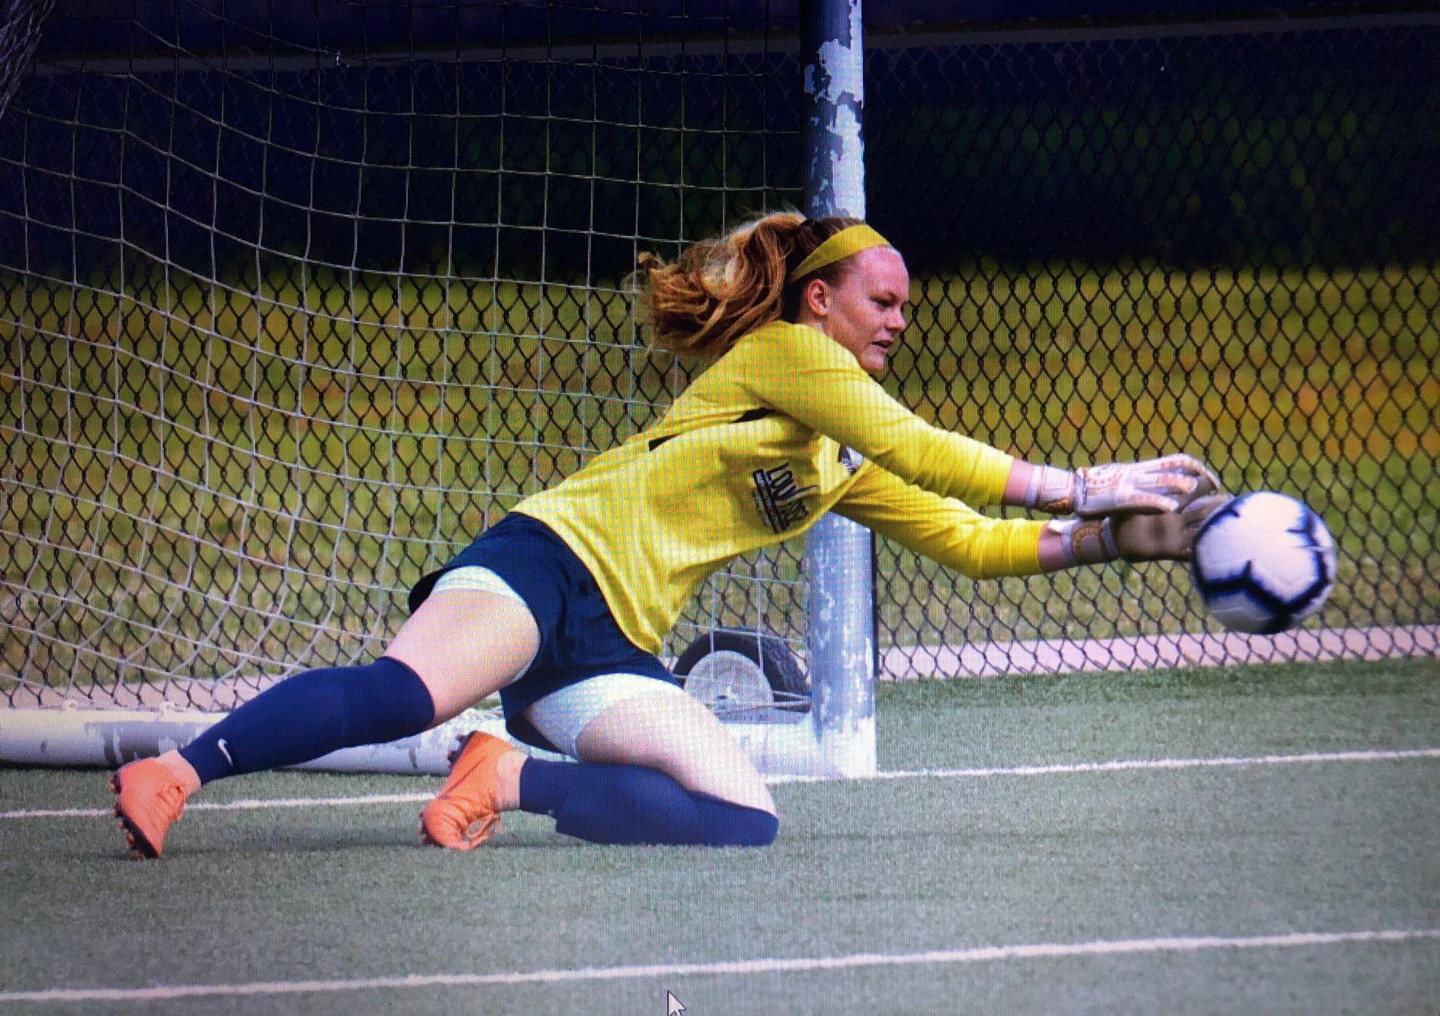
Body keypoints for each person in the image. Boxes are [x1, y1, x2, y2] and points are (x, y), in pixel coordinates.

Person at [110, 214, 1226, 858]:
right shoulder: (790, 360)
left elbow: (967, 536)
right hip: (547, 564)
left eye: (905, 309)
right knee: (409, 695)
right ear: (817, 305)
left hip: (614, 648)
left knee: (743, 820)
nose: (896, 319)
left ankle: (506, 779)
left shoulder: (835, 455)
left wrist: (1124, 540)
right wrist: (1089, 482)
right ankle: (179, 770)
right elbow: (934, 450)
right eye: (878, 300)